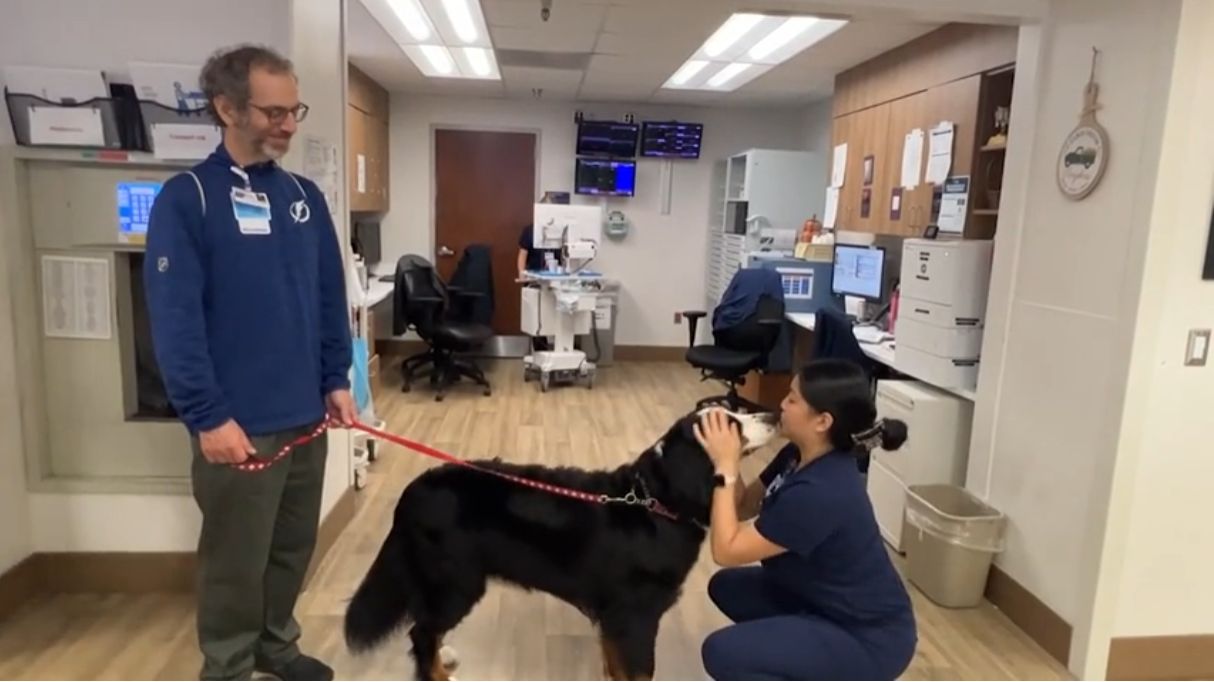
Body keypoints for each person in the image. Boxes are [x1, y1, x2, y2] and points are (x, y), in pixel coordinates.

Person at [144, 45, 353, 681]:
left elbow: (328, 296)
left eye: (294, 111)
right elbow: (175, 321)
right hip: (238, 424)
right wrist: (207, 416)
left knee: (291, 547)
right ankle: (229, 665)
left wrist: (336, 378)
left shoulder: (302, 197)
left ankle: (275, 647)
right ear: (227, 108)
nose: (288, 125)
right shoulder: (188, 199)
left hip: (306, 417)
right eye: (273, 112)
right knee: (235, 559)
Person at [694, 359, 917, 680]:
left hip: (867, 638)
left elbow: (727, 550)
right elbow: (742, 506)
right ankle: (803, 650)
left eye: (793, 399)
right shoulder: (799, 455)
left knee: (722, 653)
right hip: (819, 601)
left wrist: (724, 468)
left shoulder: (821, 491)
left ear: (822, 421)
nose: (782, 404)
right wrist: (735, 455)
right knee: (728, 587)